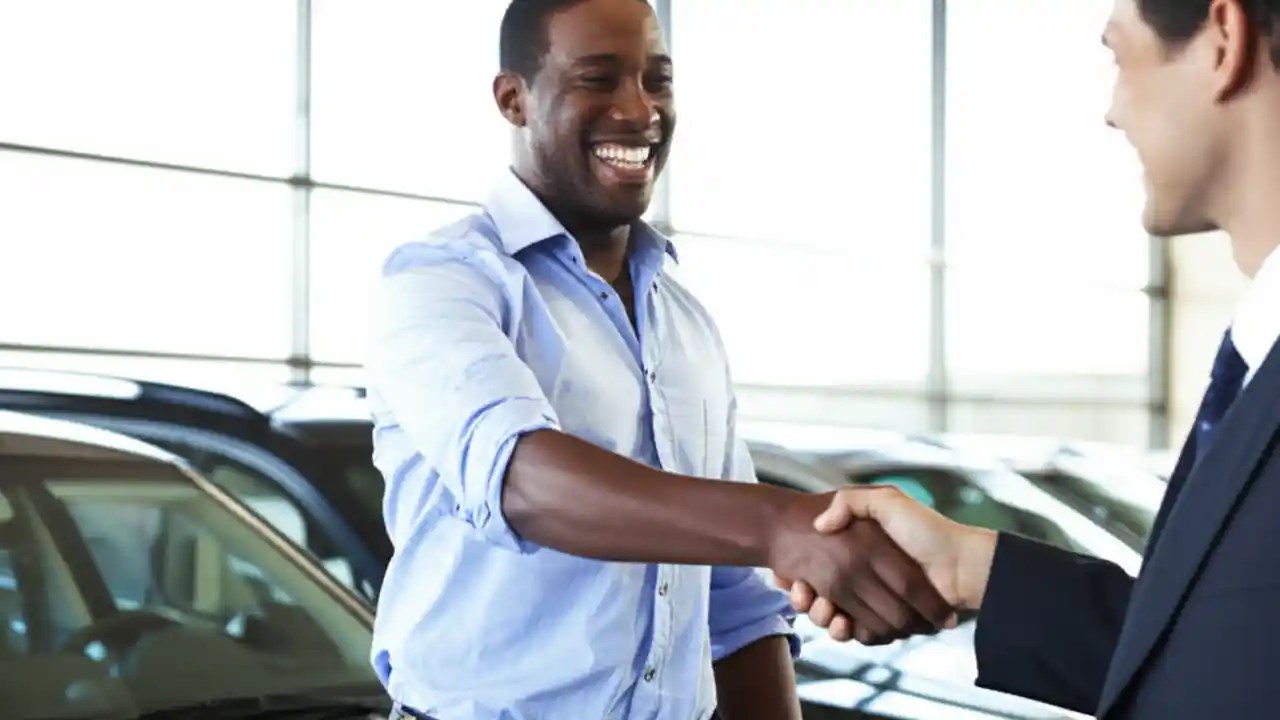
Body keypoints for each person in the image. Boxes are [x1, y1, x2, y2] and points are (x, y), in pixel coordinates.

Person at [364, 0, 952, 718]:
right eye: (598, 79)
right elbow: (521, 480)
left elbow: (736, 603)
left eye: (657, 81)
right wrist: (781, 525)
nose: (639, 110)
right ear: (514, 99)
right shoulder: (442, 282)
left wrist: (782, 539)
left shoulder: (685, 321)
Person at [782, 0, 1280, 717]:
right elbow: (1225, 659)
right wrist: (973, 570)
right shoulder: (1253, 358)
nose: (1113, 111)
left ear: (1224, 41)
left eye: (1120, 57)